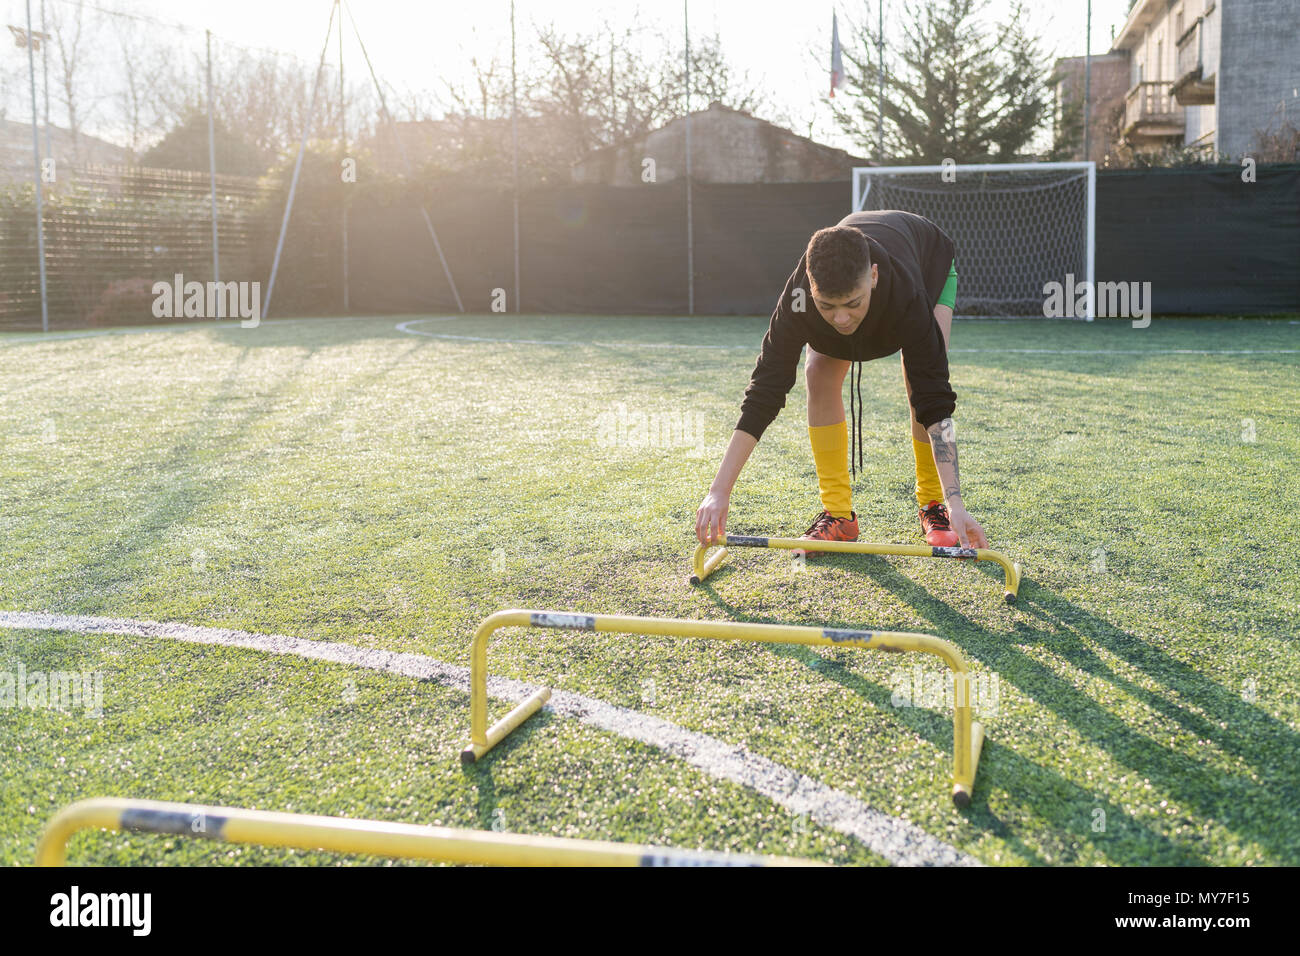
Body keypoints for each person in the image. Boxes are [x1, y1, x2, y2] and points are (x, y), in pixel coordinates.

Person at [694, 209, 989, 555]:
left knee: (919, 381)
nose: (841, 318)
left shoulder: (907, 295)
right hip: (861, 285)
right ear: (810, 284)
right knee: (817, 371)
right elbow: (765, 390)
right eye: (827, 305)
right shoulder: (799, 297)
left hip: (927, 261)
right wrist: (719, 490)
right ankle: (839, 517)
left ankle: (934, 506)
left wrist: (956, 501)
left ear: (873, 276)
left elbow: (934, 397)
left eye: (852, 303)